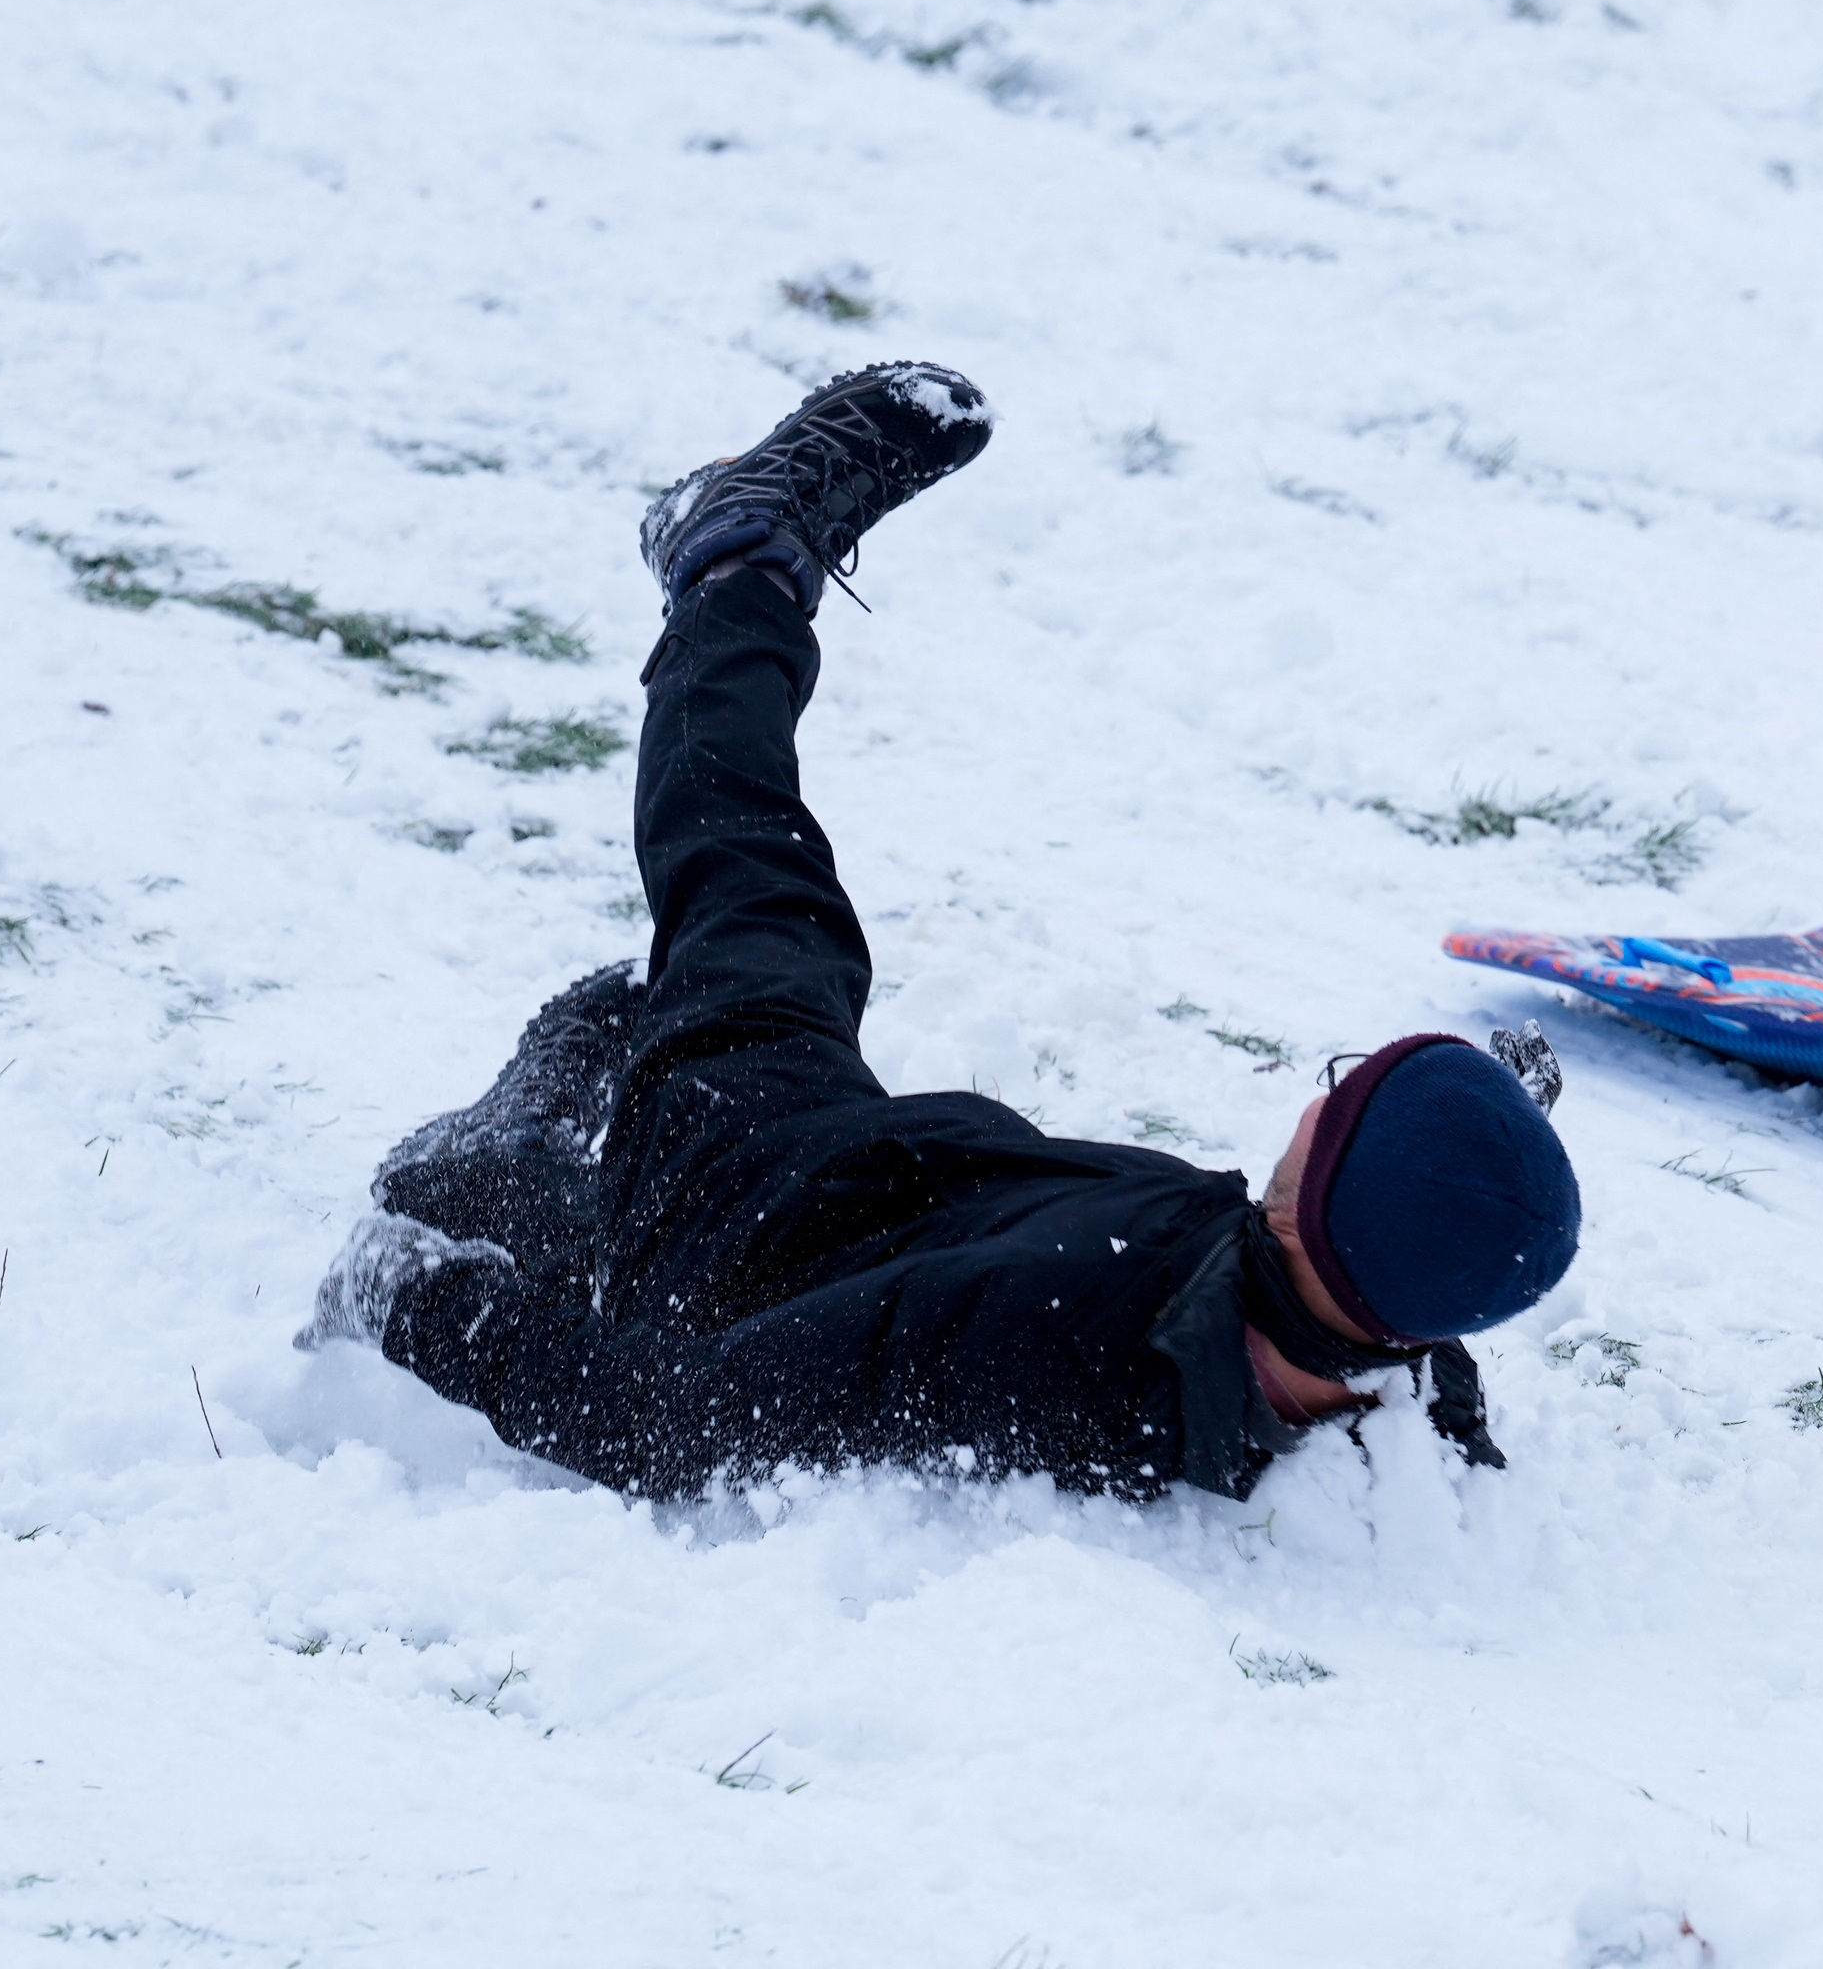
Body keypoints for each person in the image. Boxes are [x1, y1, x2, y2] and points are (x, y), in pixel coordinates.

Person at [299, 361, 1584, 1505]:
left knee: (751, 876)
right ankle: (572, 1085)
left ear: (1321, 1206)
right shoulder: (1382, 1346)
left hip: (738, 1193)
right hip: (872, 1176)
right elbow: (1438, 1262)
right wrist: (1482, 1145)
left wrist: (414, 1301)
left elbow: (666, 1418)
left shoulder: (1036, 1336)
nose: (1317, 1100)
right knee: (654, 1027)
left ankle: (734, 561)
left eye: (1335, 1100)